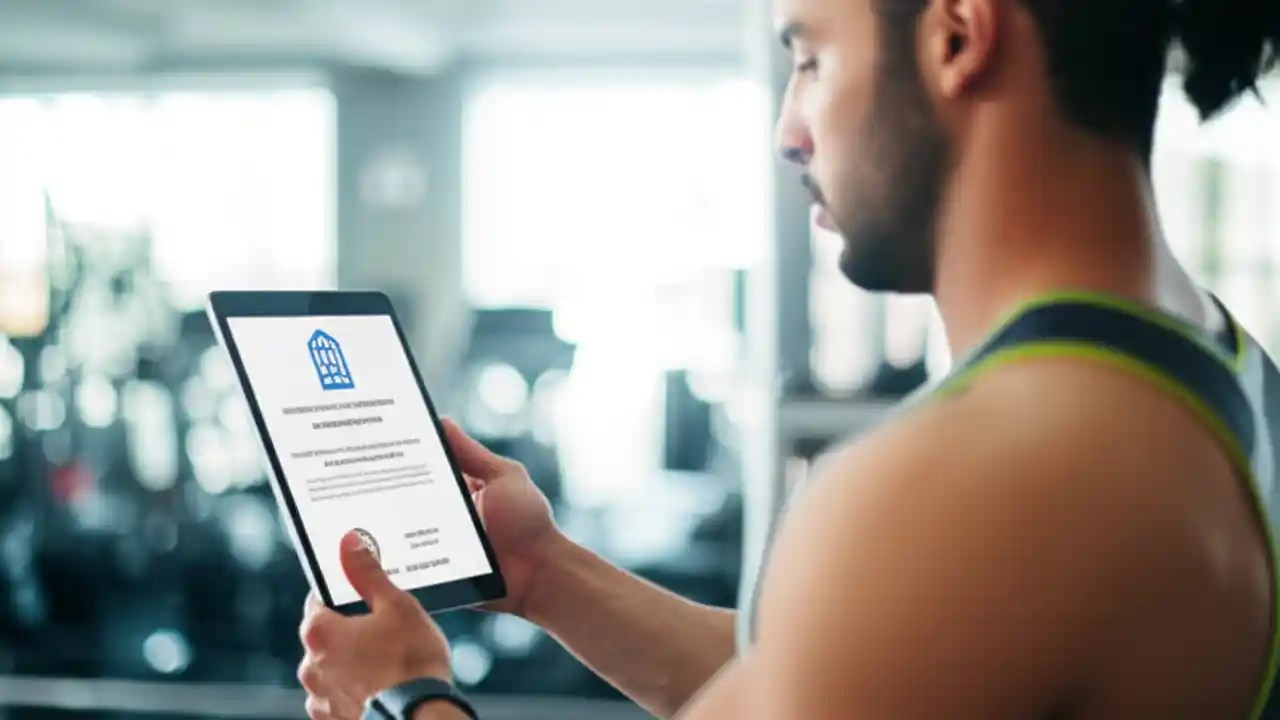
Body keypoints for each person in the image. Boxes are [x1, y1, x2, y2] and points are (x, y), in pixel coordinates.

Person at [296, 0, 1280, 717]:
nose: (787, 130)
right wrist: (547, 577)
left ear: (955, 35)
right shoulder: (1213, 365)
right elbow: (834, 674)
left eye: (809, 59)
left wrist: (403, 702)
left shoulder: (987, 481)